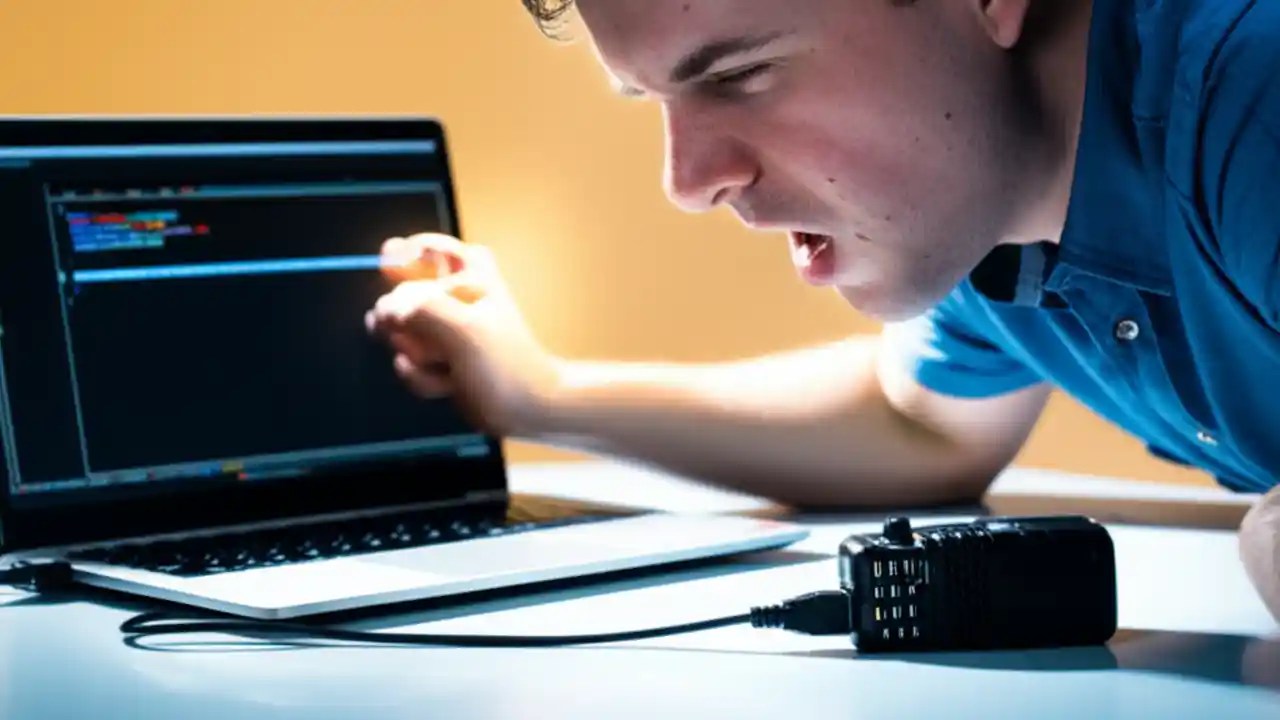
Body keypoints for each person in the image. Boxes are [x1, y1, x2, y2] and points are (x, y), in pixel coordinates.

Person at [366, 0, 1280, 621]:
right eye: (655, 101)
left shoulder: (1253, 85)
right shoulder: (980, 219)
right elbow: (916, 422)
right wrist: (543, 393)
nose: (688, 183)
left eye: (740, 73)